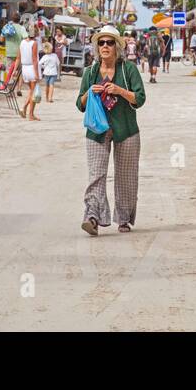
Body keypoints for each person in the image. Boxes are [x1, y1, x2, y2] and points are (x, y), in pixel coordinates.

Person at [75, 25, 146, 236]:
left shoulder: (128, 69)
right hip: (97, 130)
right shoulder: (90, 72)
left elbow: (140, 98)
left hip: (126, 129)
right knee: (96, 175)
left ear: (117, 47)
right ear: (97, 47)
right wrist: (89, 92)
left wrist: (119, 90)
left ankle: (124, 219)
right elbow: (80, 104)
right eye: (101, 42)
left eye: (110, 42)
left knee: (126, 176)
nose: (105, 46)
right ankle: (92, 217)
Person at [18, 30, 40, 121]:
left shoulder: (22, 42)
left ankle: (29, 112)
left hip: (24, 68)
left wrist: (15, 70)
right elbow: (34, 59)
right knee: (33, 92)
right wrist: (36, 73)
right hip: (31, 68)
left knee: (32, 91)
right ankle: (28, 112)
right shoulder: (34, 43)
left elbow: (18, 57)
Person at [39, 40, 60, 105]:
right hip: (53, 72)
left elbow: (39, 64)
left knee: (47, 86)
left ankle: (47, 98)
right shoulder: (55, 55)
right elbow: (58, 63)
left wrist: (44, 67)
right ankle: (50, 98)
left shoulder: (44, 57)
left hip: (46, 73)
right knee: (51, 85)